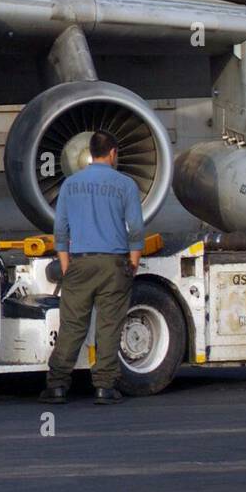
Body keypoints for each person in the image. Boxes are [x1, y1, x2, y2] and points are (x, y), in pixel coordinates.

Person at [41, 130, 144, 405]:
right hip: (114, 263)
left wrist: (66, 264)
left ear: (90, 151)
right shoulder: (125, 185)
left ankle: (57, 386)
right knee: (109, 326)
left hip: (79, 262)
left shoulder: (70, 185)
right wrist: (132, 263)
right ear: (112, 153)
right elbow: (135, 229)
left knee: (72, 326)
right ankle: (104, 387)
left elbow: (60, 230)